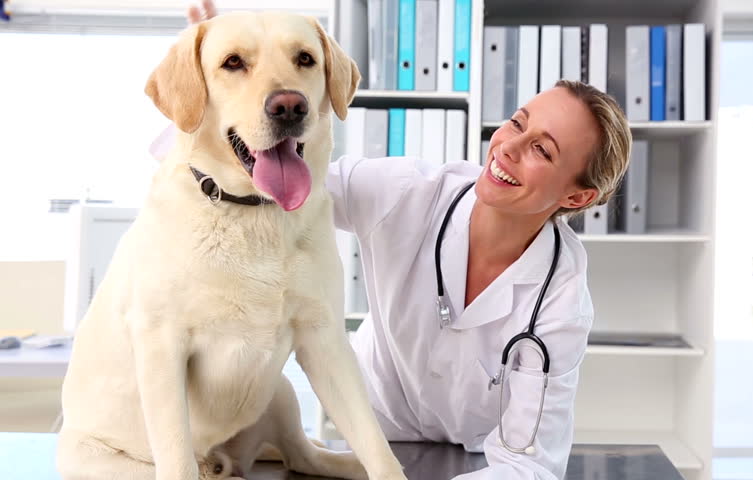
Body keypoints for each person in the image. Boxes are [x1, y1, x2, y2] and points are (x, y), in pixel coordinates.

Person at [164, 3, 633, 478]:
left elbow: (528, 465)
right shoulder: (407, 192)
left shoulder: (561, 301)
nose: (508, 146)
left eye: (541, 150)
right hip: (372, 441)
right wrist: (216, 94)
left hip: (478, 463)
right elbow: (269, 186)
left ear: (577, 196)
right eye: (517, 122)